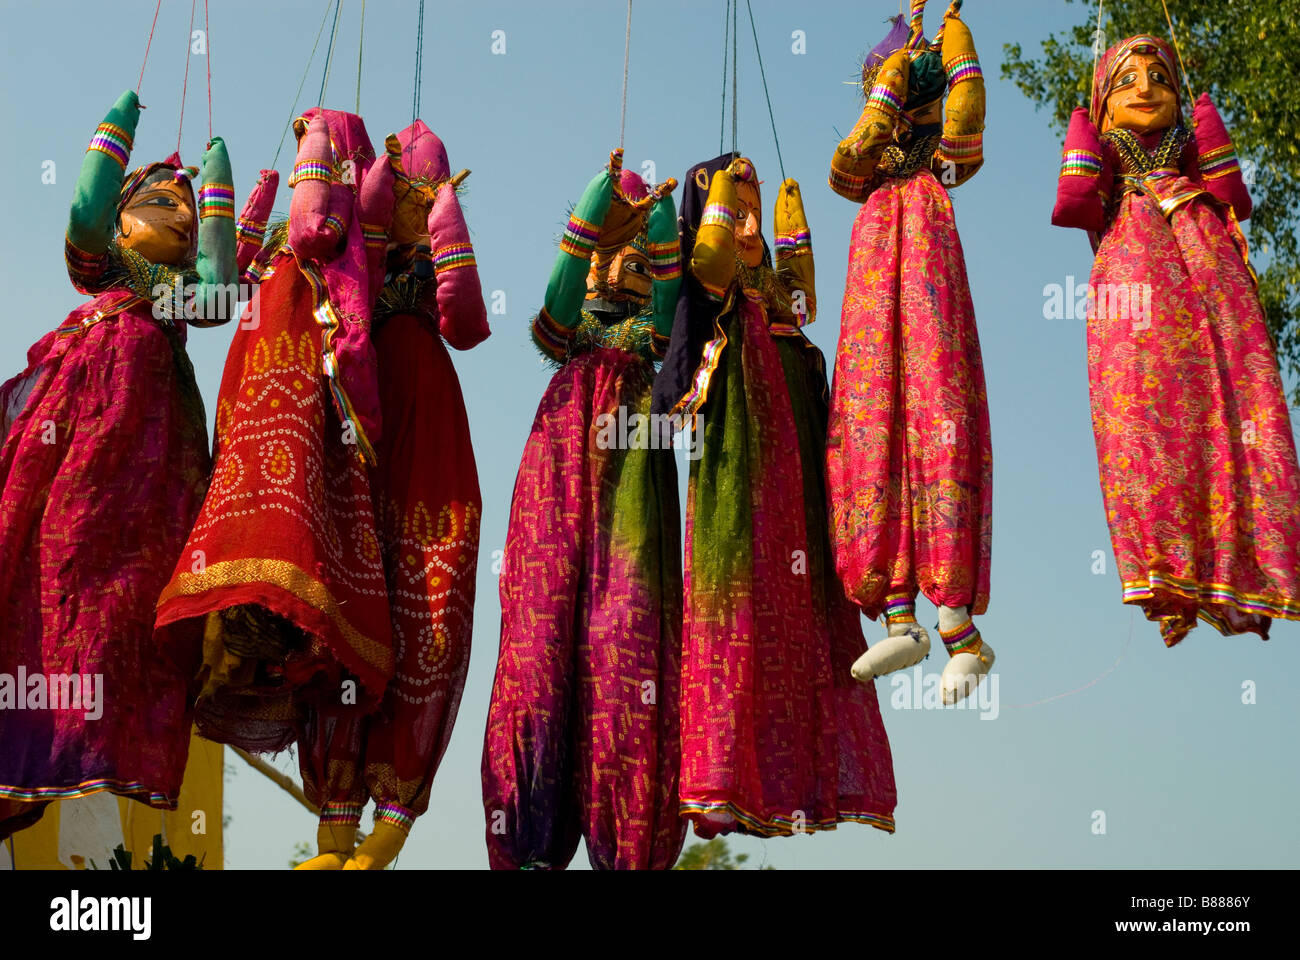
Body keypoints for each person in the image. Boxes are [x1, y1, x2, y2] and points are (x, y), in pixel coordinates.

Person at [0, 89, 236, 838]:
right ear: (127, 216)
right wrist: (120, 124)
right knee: (55, 563)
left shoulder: (181, 300)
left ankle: (81, 746)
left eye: (188, 207)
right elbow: (82, 212)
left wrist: (220, 176)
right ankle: (27, 744)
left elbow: (223, 285)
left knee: (128, 612)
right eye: (159, 198)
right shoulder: (104, 269)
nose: (178, 208)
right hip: (82, 428)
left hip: (158, 458)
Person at [652, 153, 897, 839]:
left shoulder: (782, 310)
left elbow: (806, 316)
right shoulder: (719, 298)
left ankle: (789, 786)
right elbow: (690, 321)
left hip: (803, 496)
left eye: (756, 207)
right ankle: (724, 778)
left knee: (806, 630)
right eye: (736, 206)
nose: (751, 222)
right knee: (735, 619)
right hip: (740, 477)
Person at [1051, 35, 1300, 646]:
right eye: (1127, 79)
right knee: (1141, 412)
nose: (1145, 87)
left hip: (1206, 262)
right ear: (1105, 102)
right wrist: (1083, 129)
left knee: (1237, 403)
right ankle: (1167, 567)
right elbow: (1078, 200)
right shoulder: (1110, 155)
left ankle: (1245, 558)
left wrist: (1209, 125)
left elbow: (1231, 195)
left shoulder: (1190, 160)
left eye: (1159, 76)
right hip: (1134, 265)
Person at [482, 151, 687, 869]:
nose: (611, 266)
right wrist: (592, 214)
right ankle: (527, 838)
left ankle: (626, 844)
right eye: (604, 253)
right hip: (557, 470)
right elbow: (553, 311)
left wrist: (655, 220)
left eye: (626, 254)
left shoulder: (657, 345)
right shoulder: (567, 341)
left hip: (635, 478)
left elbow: (668, 311)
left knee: (626, 644)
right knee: (537, 646)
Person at [297, 120, 488, 870]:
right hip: (359, 425)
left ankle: (396, 817)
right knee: (347, 600)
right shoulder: (356, 251)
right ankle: (335, 817)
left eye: (430, 194)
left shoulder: (424, 264)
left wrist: (445, 225)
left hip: (428, 426)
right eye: (407, 191)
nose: (415, 204)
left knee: (429, 599)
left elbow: (467, 321)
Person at [825, 0, 994, 704]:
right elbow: (845, 165)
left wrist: (955, 50)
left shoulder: (934, 175)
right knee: (870, 424)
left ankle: (959, 628)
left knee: (936, 409)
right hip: (873, 264)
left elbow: (965, 139)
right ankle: (901, 615)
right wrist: (890, 84)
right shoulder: (872, 179)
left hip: (923, 247)